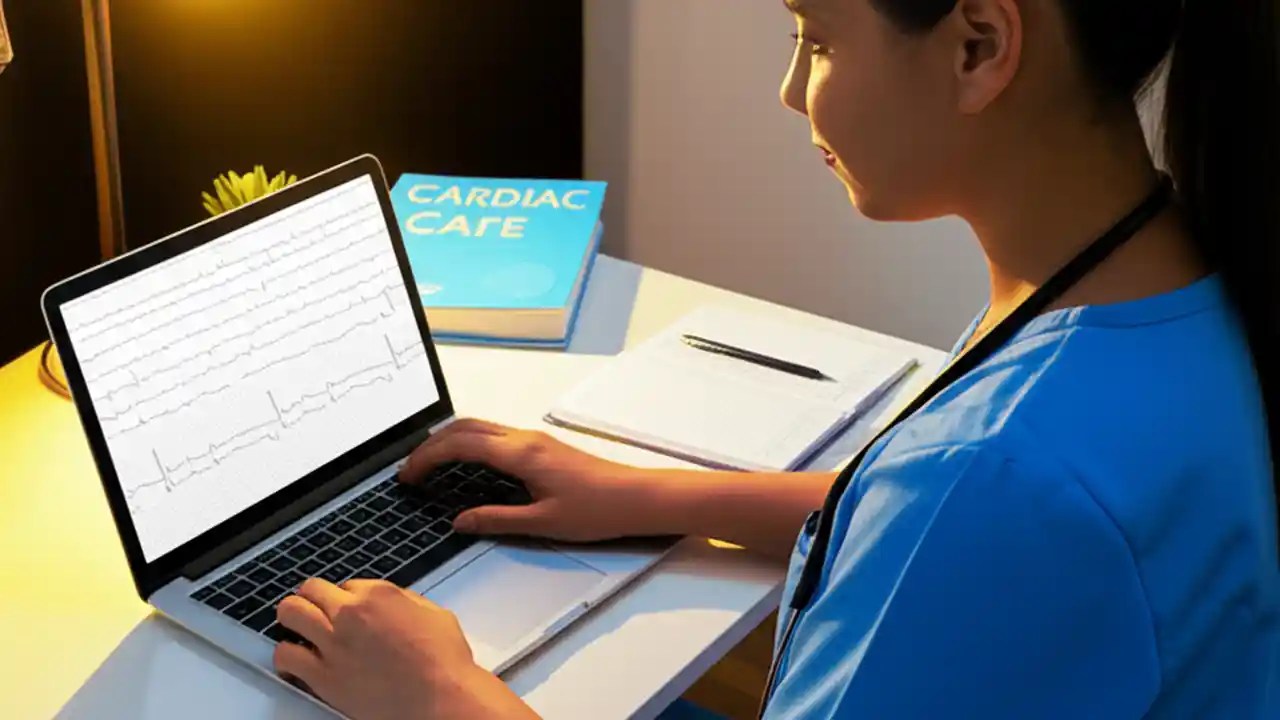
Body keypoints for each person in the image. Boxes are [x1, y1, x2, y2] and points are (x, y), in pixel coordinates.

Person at [269, 0, 1280, 718]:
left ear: (978, 44)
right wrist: (643, 494)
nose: (790, 90)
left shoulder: (998, 479)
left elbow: (969, 505)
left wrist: (437, 695)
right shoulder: (1168, 274)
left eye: (816, 38)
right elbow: (916, 505)